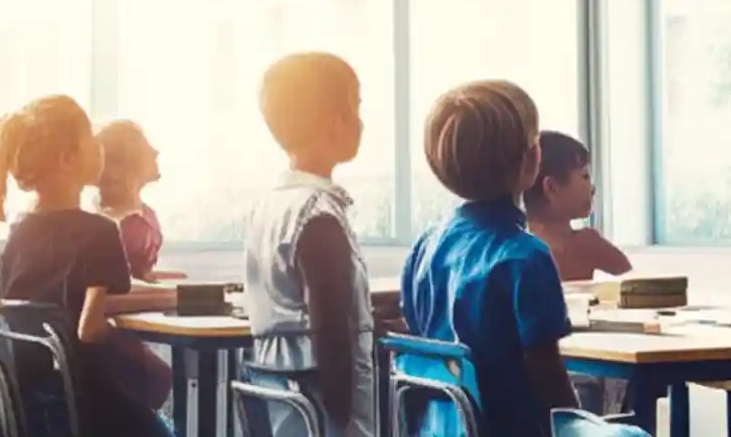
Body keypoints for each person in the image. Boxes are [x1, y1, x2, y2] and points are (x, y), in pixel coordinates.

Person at [402, 80, 578, 437]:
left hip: (438, 428)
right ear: (532, 159)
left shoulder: (426, 245)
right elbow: (548, 379)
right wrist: (581, 425)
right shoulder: (526, 258)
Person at [0, 95, 169, 437]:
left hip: (32, 401)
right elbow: (89, 326)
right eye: (92, 138)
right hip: (92, 404)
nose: (100, 147)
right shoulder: (99, 230)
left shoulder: (20, 231)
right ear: (67, 158)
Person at [244, 53, 375, 437]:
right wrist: (342, 417)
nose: (361, 122)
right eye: (357, 107)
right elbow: (330, 328)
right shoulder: (318, 215)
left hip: (279, 394)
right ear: (337, 122)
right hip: (323, 408)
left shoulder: (266, 205)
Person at [524, 131, 630, 282]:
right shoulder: (586, 245)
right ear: (551, 187)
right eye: (585, 176)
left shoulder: (513, 247)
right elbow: (636, 288)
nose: (592, 188)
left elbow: (633, 283)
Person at [96, 120, 183, 281]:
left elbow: (139, 276)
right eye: (143, 145)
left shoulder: (147, 215)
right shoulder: (109, 224)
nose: (155, 152)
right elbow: (109, 286)